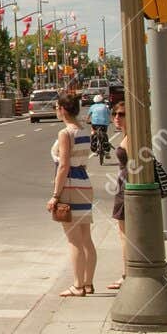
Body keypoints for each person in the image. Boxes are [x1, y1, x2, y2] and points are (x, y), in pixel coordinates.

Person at [47, 89, 97, 297]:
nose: (56, 111)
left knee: (73, 239)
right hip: (84, 183)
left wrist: (55, 195)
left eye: (57, 107)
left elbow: (63, 165)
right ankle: (88, 283)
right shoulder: (84, 129)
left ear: (64, 110)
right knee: (86, 237)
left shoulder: (65, 133)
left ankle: (77, 285)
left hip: (69, 185)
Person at [106, 100, 128, 291]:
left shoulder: (132, 138)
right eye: (115, 114)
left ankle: (127, 274)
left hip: (127, 191)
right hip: (123, 188)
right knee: (125, 234)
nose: (116, 118)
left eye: (121, 114)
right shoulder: (126, 136)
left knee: (125, 236)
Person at [88, 94, 110, 164]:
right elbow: (109, 114)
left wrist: (87, 121)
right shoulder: (105, 106)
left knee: (93, 133)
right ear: (102, 100)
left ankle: (94, 149)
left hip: (95, 124)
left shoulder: (92, 106)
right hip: (104, 124)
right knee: (104, 134)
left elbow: (88, 115)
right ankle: (107, 151)